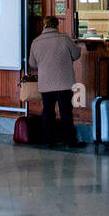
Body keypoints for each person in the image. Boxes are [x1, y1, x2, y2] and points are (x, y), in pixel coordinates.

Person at [28, 15, 83, 148]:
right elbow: (76, 55)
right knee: (65, 112)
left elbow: (32, 63)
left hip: (46, 83)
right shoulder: (64, 38)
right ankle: (70, 140)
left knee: (47, 111)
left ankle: (48, 140)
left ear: (44, 25)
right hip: (64, 83)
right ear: (57, 25)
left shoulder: (36, 42)